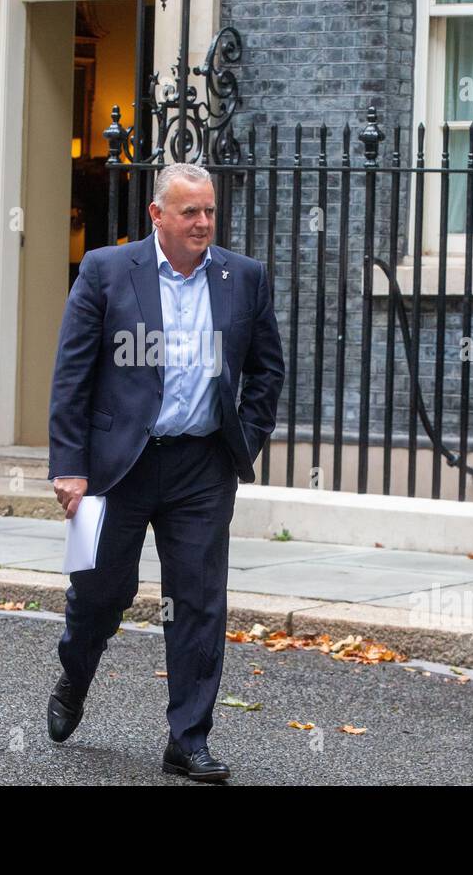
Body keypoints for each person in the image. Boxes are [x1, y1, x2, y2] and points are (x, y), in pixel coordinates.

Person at [46, 162, 285, 783]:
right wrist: (69, 466)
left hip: (201, 465)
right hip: (114, 467)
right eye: (190, 212)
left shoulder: (244, 277)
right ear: (158, 215)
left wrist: (245, 442)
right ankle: (75, 673)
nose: (203, 222)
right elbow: (73, 372)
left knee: (198, 602)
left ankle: (188, 738)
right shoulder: (105, 271)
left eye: (209, 211)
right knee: (98, 595)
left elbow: (267, 369)